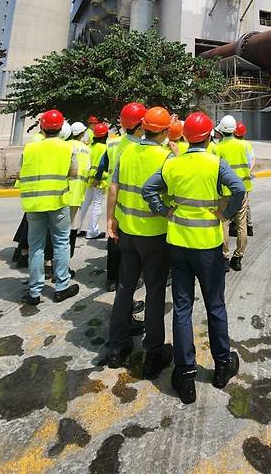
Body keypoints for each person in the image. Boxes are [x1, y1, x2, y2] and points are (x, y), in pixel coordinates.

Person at [143, 111, 245, 404]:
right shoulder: (215, 164)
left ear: (185, 136)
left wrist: (163, 210)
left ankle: (185, 375)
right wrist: (225, 214)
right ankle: (223, 365)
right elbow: (238, 188)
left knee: (182, 308)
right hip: (208, 247)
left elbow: (148, 189)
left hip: (178, 244)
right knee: (215, 305)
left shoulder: (174, 163)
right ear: (210, 135)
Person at [102, 107, 173, 379]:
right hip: (155, 235)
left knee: (124, 288)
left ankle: (116, 348)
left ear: (143, 127)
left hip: (127, 232)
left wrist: (111, 220)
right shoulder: (166, 157)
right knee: (155, 292)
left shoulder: (127, 151)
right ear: (165, 131)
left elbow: (113, 187)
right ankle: (153, 353)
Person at [17, 109, 80, 305]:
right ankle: (61, 287)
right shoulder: (67, 148)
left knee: (36, 246)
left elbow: (21, 172)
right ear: (61, 128)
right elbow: (74, 172)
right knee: (61, 242)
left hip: (34, 204)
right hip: (57, 202)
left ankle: (34, 291)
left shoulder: (29, 148)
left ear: (42, 127)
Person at [97, 102, 147, 291]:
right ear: (141, 124)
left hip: (113, 195)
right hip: (130, 197)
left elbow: (104, 166)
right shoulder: (141, 146)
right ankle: (128, 281)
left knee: (113, 238)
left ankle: (111, 279)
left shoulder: (112, 142)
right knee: (131, 244)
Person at [212, 114, 253, 272]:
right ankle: (238, 257)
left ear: (221, 131)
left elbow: (215, 171)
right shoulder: (243, 145)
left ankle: (224, 258)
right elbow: (249, 164)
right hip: (242, 190)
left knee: (224, 224)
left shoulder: (217, 148)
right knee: (241, 224)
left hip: (225, 193)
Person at [79, 122, 109, 239]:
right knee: (97, 205)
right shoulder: (105, 148)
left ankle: (76, 228)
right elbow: (102, 165)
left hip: (89, 179)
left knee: (85, 203)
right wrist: (98, 178)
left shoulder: (90, 147)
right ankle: (92, 231)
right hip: (100, 179)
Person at [66, 121, 91, 259]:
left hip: (63, 190)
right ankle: (66, 258)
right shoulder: (87, 149)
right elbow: (88, 168)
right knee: (72, 227)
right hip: (78, 191)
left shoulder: (66, 145)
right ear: (82, 133)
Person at [234, 121, 254, 236]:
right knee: (245, 204)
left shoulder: (233, 145)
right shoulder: (247, 144)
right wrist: (248, 172)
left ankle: (235, 225)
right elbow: (251, 161)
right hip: (245, 180)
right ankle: (249, 226)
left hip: (232, 180)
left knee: (233, 204)